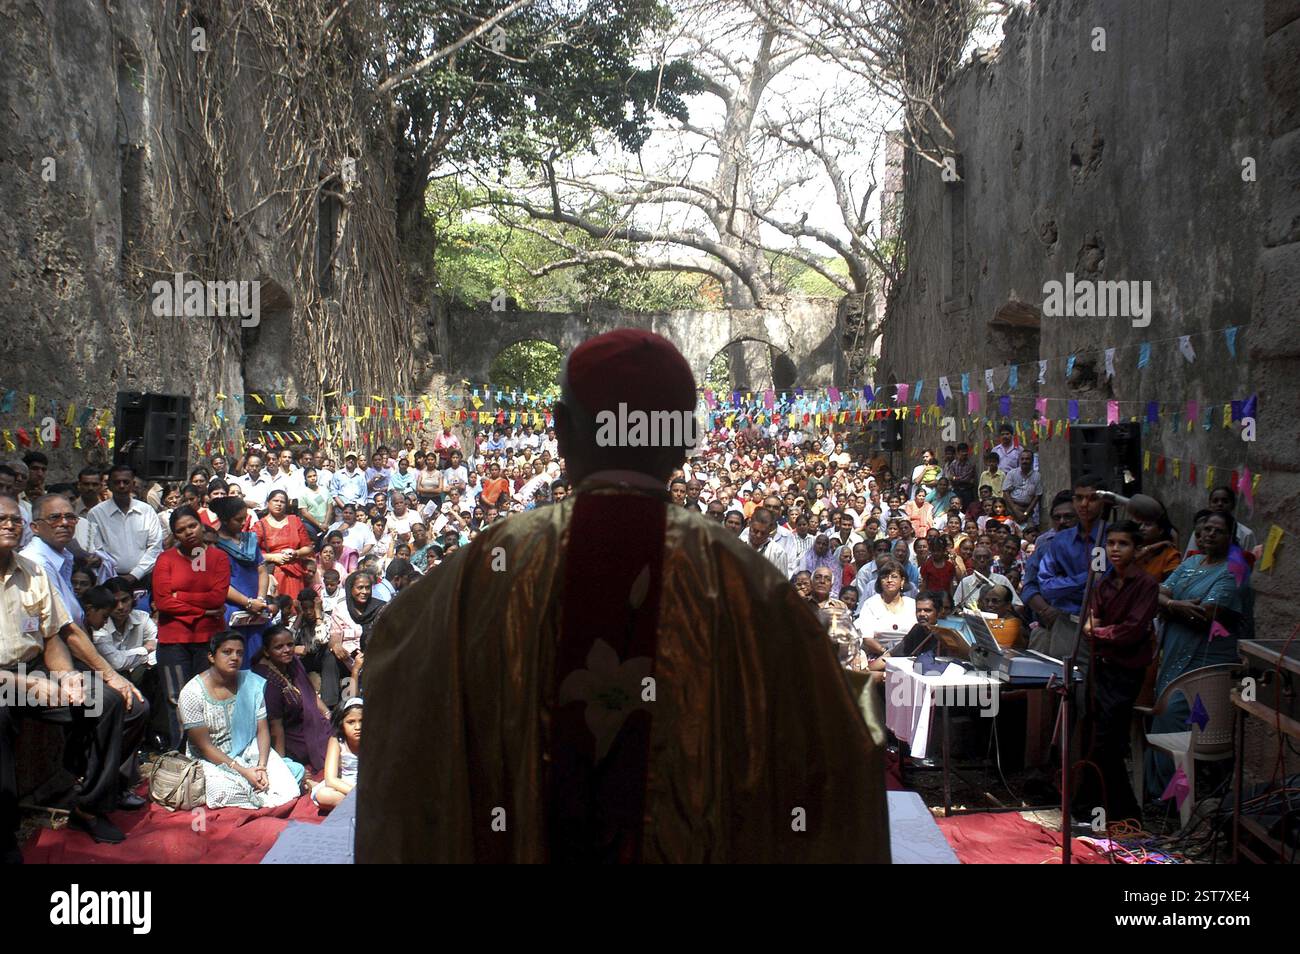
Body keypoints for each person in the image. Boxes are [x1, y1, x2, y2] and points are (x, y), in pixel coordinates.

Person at [357, 329, 888, 862]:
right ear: (685, 440)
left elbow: (398, 677)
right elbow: (832, 750)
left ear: (561, 430)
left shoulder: (480, 574)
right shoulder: (750, 586)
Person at [1, 496, 140, 852]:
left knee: (107, 701)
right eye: (1, 519)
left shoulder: (31, 572)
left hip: (32, 671)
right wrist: (21, 683)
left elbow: (53, 635)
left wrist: (65, 676)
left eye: (15, 519)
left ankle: (88, 804)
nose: (9, 525)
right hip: (7, 682)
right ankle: (4, 830)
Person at [1146, 510, 1251, 799]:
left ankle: (1181, 797)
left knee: (1185, 721)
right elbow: (1156, 592)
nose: (1209, 534)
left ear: (1231, 537)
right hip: (1175, 656)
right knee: (1164, 716)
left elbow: (1206, 615)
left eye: (1217, 530)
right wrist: (1177, 605)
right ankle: (1161, 795)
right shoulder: (1191, 562)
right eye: (1205, 529)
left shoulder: (1234, 570)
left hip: (1206, 664)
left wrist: (1168, 603)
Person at [1072, 521, 1158, 824]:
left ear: (1136, 549)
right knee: (1096, 737)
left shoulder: (1146, 584)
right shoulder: (1104, 583)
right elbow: (1088, 623)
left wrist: (1101, 632)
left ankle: (1113, 810)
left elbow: (1132, 631)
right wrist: (1100, 631)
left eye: (1123, 544)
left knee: (1108, 740)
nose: (1116, 550)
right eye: (1111, 544)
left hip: (1126, 671)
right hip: (1101, 668)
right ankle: (1110, 810)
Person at [177, 631, 300, 810]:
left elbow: (262, 730)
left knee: (289, 787)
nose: (235, 657)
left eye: (240, 653)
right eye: (227, 652)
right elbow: (204, 747)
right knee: (221, 789)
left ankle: (255, 788)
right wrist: (242, 772)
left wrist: (262, 767)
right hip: (211, 760)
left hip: (249, 750)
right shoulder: (191, 693)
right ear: (211, 656)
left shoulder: (251, 683)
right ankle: (254, 792)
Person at [153, 505, 233, 748]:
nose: (188, 532)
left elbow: (217, 598)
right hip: (173, 641)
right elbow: (163, 602)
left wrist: (181, 596)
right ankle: (180, 755)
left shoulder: (218, 558)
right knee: (176, 698)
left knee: (207, 697)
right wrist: (202, 611)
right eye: (180, 530)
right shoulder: (165, 559)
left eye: (192, 526)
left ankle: (211, 753)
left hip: (209, 639)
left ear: (201, 524)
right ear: (174, 535)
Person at [253, 624, 331, 774]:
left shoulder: (292, 662)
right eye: (279, 647)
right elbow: (276, 727)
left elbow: (310, 694)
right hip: (290, 735)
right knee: (328, 745)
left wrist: (328, 715)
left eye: (290, 644)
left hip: (308, 721)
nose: (287, 650)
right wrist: (284, 766)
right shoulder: (267, 681)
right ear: (266, 652)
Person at [211, 496, 271, 665]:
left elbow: (261, 569)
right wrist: (248, 603)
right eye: (238, 519)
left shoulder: (250, 540)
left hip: (258, 609)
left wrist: (260, 599)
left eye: (245, 518)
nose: (243, 522)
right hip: (232, 609)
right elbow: (219, 583)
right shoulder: (214, 544)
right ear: (224, 520)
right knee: (236, 659)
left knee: (261, 657)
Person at [85, 463, 164, 590]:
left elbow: (155, 547)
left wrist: (134, 575)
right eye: (117, 482)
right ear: (109, 485)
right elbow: (97, 550)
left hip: (145, 579)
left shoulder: (147, 511)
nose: (121, 486)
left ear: (133, 484)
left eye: (125, 482)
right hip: (109, 581)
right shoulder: (96, 514)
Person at [254, 489, 313, 601]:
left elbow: (308, 548)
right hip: (273, 574)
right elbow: (251, 553)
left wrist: (296, 553)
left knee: (296, 607)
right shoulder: (260, 525)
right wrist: (273, 557)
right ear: (268, 503)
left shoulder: (295, 521)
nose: (279, 504)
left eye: (282, 502)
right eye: (275, 501)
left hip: (295, 572)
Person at [313, 698, 362, 811]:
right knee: (324, 795)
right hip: (345, 786)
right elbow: (331, 779)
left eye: (362, 721)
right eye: (351, 722)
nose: (358, 727)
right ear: (341, 724)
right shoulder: (336, 741)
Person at [858, 558, 917, 642]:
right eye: (885, 577)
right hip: (878, 652)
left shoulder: (912, 604)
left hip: (909, 651)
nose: (889, 580)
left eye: (894, 577)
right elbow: (867, 638)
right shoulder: (870, 604)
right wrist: (885, 653)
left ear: (902, 581)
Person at [1003, 452, 1043, 528]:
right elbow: (1006, 492)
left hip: (1027, 511)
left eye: (1027, 459)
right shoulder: (1012, 473)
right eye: (1022, 459)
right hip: (1011, 509)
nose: (1024, 461)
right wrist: (1015, 510)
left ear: (1032, 461)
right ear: (1019, 460)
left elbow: (1037, 496)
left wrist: (1026, 513)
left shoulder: (1037, 476)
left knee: (1030, 532)